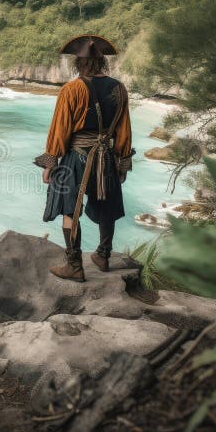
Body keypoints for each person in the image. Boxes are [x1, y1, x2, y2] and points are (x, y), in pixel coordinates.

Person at [34, 35, 134, 282]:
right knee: (107, 207)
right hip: (106, 158)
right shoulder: (118, 89)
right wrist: (122, 164)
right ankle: (103, 256)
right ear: (102, 62)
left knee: (70, 209)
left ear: (78, 63)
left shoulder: (71, 90)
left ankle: (74, 265)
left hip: (75, 159)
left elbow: (60, 130)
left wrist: (50, 163)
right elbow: (124, 130)